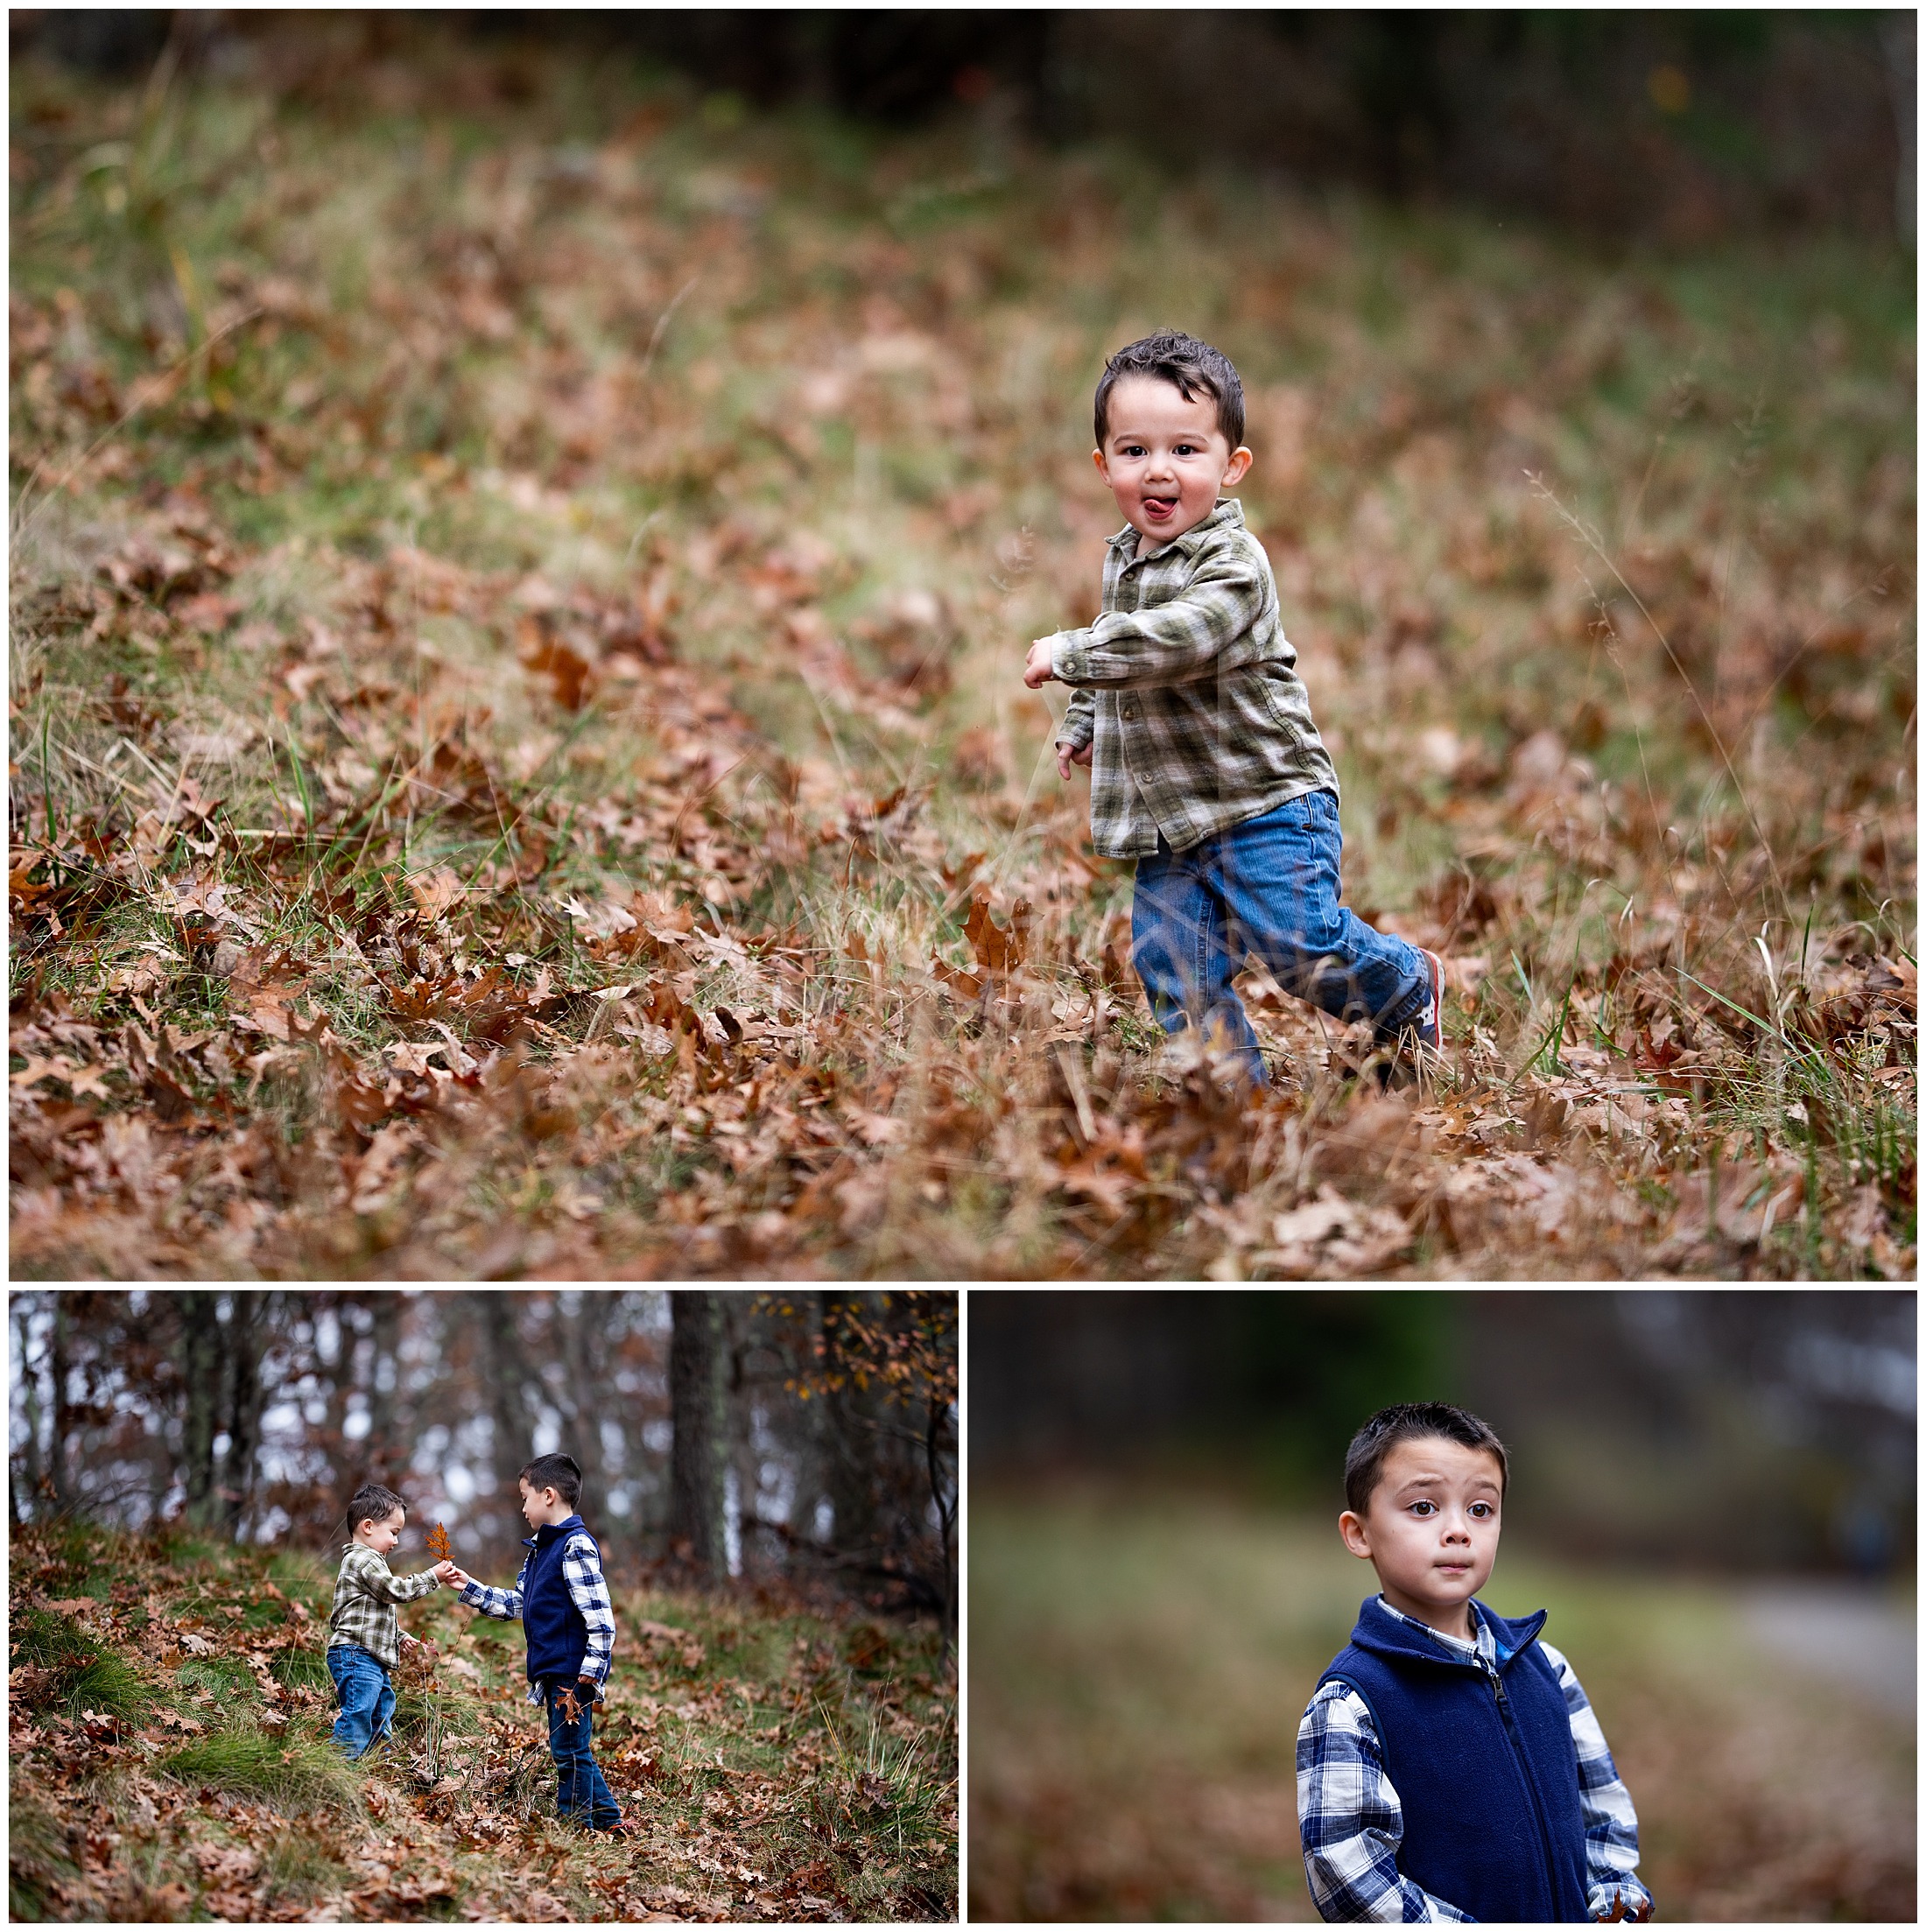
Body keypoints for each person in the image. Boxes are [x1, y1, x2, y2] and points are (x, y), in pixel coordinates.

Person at [1023, 329, 1441, 1086]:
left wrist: (1074, 651)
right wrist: (1084, 718)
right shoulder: (1129, 557)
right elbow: (1129, 652)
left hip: (1264, 800)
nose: (1159, 470)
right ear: (1103, 465)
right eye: (1133, 451)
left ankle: (1404, 985)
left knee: (1298, 943)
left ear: (1230, 464)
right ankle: (1231, 1098)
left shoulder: (1233, 564)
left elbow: (1179, 638)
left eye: (1186, 450)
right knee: (1172, 961)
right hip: (1173, 817)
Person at [1297, 1402, 1654, 1923]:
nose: (1458, 1530)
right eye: (1423, 1507)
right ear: (1360, 1533)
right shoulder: (1353, 1701)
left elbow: (1602, 1808)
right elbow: (1348, 1873)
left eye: (1480, 1509)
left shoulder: (1546, 1668)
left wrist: (1615, 1898)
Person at [438, 1451, 626, 1836]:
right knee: (574, 1750)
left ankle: (574, 1830)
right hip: (556, 1669)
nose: (522, 1506)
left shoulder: (575, 1546)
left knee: (569, 1753)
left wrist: (590, 1673)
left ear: (549, 1495)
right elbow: (519, 1604)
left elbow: (601, 1619)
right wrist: (469, 1588)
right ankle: (609, 1820)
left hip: (572, 1673)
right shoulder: (540, 1551)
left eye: (525, 1497)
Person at [327, 1481, 459, 1759]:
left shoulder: (368, 1561)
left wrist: (399, 1637)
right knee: (359, 1709)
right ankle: (339, 1762)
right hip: (355, 1653)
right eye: (394, 1532)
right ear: (369, 1526)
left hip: (368, 1654)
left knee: (382, 1705)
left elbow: (372, 1614)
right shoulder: (364, 1559)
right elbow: (394, 1591)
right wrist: (432, 1577)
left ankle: (377, 1760)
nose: (396, 1541)